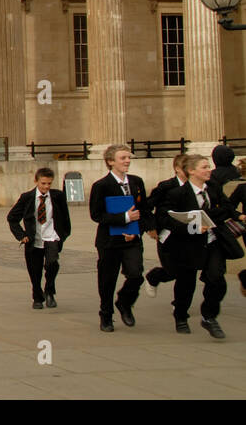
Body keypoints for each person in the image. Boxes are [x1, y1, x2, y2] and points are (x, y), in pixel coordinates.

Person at [158, 154, 232, 338]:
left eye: (209, 166)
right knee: (186, 283)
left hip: (212, 241)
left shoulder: (214, 189)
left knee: (217, 279)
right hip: (187, 244)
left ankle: (209, 316)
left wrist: (210, 216)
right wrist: (193, 226)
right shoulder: (177, 194)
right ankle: (181, 316)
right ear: (191, 171)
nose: (209, 170)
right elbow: (166, 218)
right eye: (205, 167)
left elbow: (226, 208)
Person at [89, 144, 152, 332]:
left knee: (136, 275)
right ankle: (106, 315)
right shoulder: (101, 185)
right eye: (123, 158)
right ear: (110, 162)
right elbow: (96, 214)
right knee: (107, 279)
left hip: (132, 239)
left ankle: (124, 302)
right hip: (109, 240)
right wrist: (124, 218)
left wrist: (137, 229)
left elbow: (144, 210)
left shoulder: (136, 182)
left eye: (128, 158)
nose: (127, 161)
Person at [6, 167, 71, 308]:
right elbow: (12, 218)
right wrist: (21, 236)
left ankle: (50, 291)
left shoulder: (58, 196)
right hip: (33, 239)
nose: (46, 187)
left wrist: (63, 235)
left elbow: (65, 218)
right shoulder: (27, 197)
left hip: (52, 237)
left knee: (52, 263)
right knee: (35, 270)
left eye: (49, 184)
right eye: (43, 183)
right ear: (36, 181)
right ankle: (37, 297)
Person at [144, 154, 190, 297]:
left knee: (186, 272)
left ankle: (180, 305)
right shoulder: (166, 186)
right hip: (167, 233)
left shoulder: (198, 186)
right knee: (172, 269)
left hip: (188, 234)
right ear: (177, 169)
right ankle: (154, 277)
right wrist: (150, 227)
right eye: (186, 168)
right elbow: (147, 206)